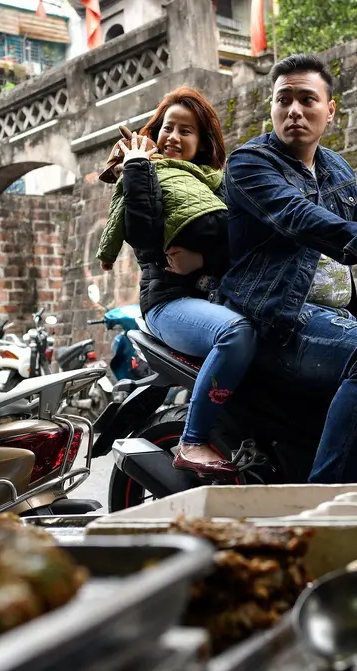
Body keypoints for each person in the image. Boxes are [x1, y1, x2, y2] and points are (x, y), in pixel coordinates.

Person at [220, 54, 357, 485]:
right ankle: (324, 501)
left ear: (330, 110)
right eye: (284, 100)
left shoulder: (336, 168)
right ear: (272, 106)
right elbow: (299, 217)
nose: (295, 110)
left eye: (307, 99)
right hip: (277, 320)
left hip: (332, 320)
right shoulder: (250, 164)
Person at [96, 88, 255, 477]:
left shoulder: (216, 183)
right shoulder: (146, 175)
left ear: (202, 143)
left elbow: (245, 242)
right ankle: (193, 439)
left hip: (220, 296)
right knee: (237, 333)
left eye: (187, 131)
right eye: (168, 128)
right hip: (168, 302)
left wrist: (203, 259)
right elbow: (145, 234)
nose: (173, 137)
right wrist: (136, 167)